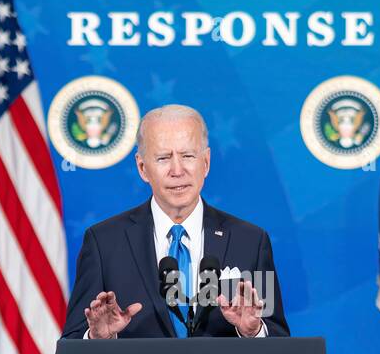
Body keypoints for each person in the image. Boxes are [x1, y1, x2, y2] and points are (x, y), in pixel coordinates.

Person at [62, 104, 289, 340]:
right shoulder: (104, 242)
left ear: (206, 162)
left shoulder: (250, 241)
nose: (177, 170)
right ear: (142, 168)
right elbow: (72, 345)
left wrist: (252, 331)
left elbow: (277, 342)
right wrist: (98, 338)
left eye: (188, 156)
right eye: (163, 158)